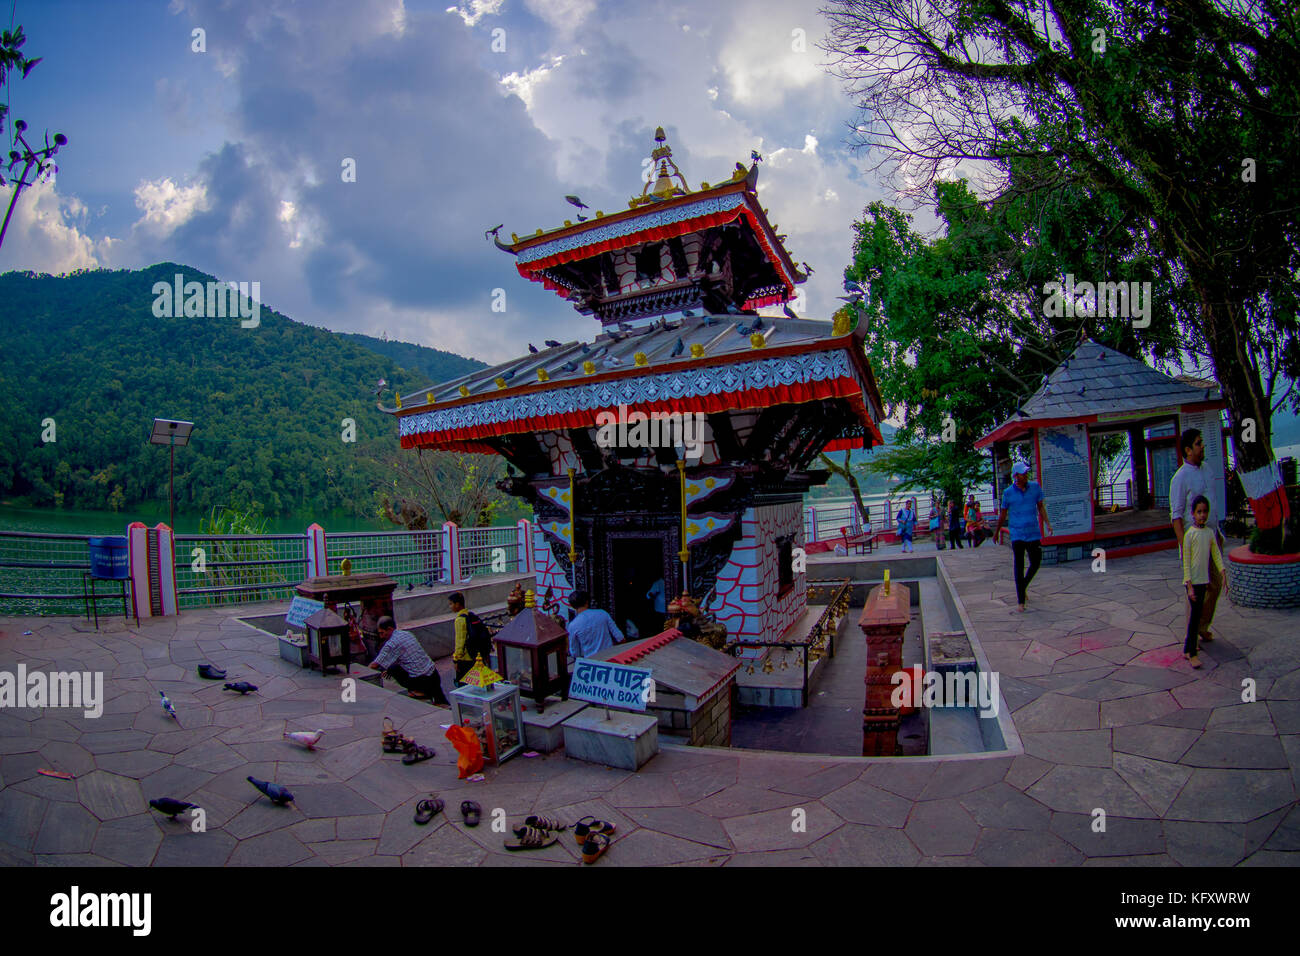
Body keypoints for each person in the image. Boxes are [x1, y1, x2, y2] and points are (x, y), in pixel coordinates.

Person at [1170, 427, 1224, 643]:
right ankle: (1191, 637)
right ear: (1188, 449)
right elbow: (1176, 517)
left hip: (1212, 535)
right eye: (1199, 443)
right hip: (1194, 542)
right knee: (1196, 589)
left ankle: (1202, 624)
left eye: (1202, 442)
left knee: (1217, 583)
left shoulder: (1208, 470)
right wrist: (1185, 546)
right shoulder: (1180, 478)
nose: (1203, 447)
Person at [992, 462, 1054, 612]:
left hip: (1032, 532)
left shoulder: (1035, 488)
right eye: (1022, 473)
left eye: (1026, 473)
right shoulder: (1008, 493)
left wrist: (1047, 523)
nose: (1025, 475)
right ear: (1016, 476)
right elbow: (1003, 514)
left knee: (1035, 562)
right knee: (1019, 564)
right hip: (1017, 533)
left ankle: (1023, 585)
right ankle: (1021, 601)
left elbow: (1040, 507)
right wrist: (997, 531)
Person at [1180, 495, 1223, 669]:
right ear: (1192, 514)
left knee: (1196, 618)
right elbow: (1187, 562)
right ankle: (1192, 653)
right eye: (1199, 512)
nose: (1202, 515)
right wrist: (1189, 585)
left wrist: (1222, 570)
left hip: (1203, 581)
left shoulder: (1209, 533)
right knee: (1194, 619)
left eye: (1205, 511)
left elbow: (1216, 554)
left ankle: (1186, 650)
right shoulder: (1189, 535)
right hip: (1193, 583)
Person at [369, 616, 449, 704]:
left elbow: (375, 665)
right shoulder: (406, 633)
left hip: (421, 681)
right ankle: (439, 700)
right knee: (440, 699)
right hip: (434, 675)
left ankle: (417, 691)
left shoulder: (391, 643)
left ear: (389, 629)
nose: (381, 636)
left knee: (393, 668)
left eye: (382, 633)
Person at [449, 592, 493, 685]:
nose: (450, 606)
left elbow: (460, 642)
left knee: (465, 684)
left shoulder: (460, 620)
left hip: (466, 657)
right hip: (476, 655)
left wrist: (456, 659)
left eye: (451, 604)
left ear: (457, 604)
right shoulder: (470, 614)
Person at [566, 589, 624, 659]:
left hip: (591, 662)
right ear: (587, 602)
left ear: (572, 606)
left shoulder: (573, 625)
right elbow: (620, 637)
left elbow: (575, 653)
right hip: (610, 656)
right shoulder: (602, 613)